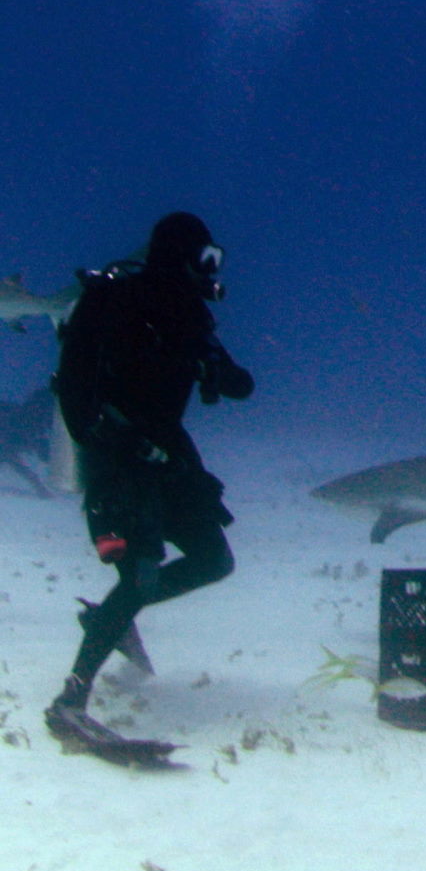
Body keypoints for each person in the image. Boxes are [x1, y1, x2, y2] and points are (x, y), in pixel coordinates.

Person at [46, 211, 253, 741]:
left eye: (215, 260)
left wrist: (216, 367)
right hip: (116, 456)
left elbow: (240, 385)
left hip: (169, 456)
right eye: (206, 258)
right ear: (179, 257)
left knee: (213, 560)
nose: (211, 269)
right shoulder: (112, 301)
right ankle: (70, 700)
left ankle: (107, 619)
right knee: (139, 575)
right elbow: (74, 391)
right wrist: (114, 443)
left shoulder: (192, 316)